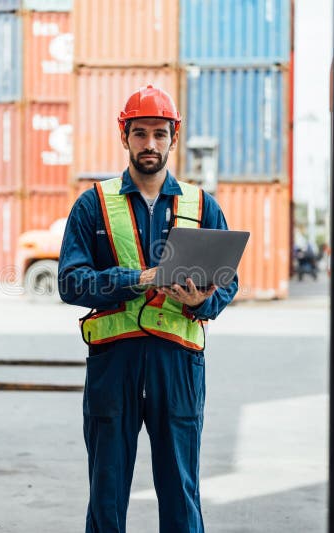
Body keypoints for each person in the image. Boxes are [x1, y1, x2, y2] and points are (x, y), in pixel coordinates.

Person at [58, 85, 239, 532]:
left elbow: (228, 281)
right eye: (140, 133)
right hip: (113, 365)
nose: (150, 144)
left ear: (173, 137)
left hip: (177, 365)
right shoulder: (93, 205)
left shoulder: (202, 205)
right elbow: (70, 282)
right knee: (107, 489)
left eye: (160, 134)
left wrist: (204, 300)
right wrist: (136, 278)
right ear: (124, 136)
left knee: (180, 489)